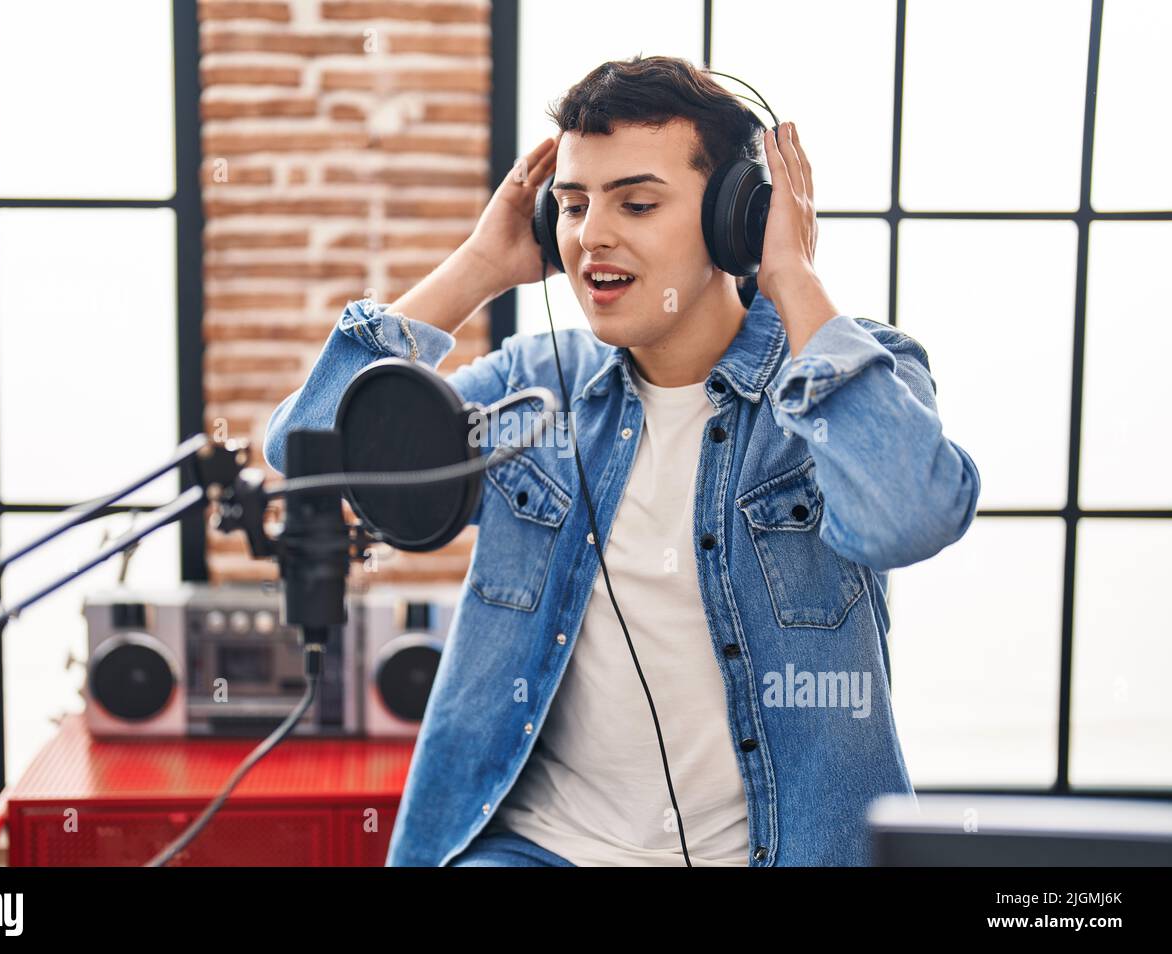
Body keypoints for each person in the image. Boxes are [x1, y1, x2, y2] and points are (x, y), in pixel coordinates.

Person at [264, 54, 980, 867]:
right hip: (540, 849)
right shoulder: (535, 386)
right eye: (569, 207)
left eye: (636, 203)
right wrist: (476, 267)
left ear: (733, 221)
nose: (590, 236)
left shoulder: (842, 377)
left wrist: (789, 274)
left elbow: (911, 513)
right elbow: (306, 450)